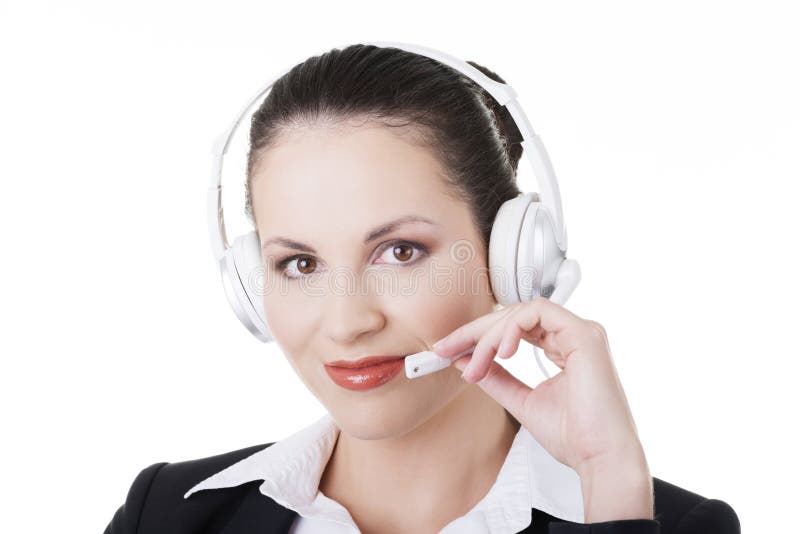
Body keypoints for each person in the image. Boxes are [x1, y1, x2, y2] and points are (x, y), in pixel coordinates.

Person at [104, 43, 741, 533]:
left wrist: (610, 490)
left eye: (399, 252)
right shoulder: (167, 515)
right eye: (299, 264)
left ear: (512, 258)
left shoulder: (666, 524)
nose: (347, 322)